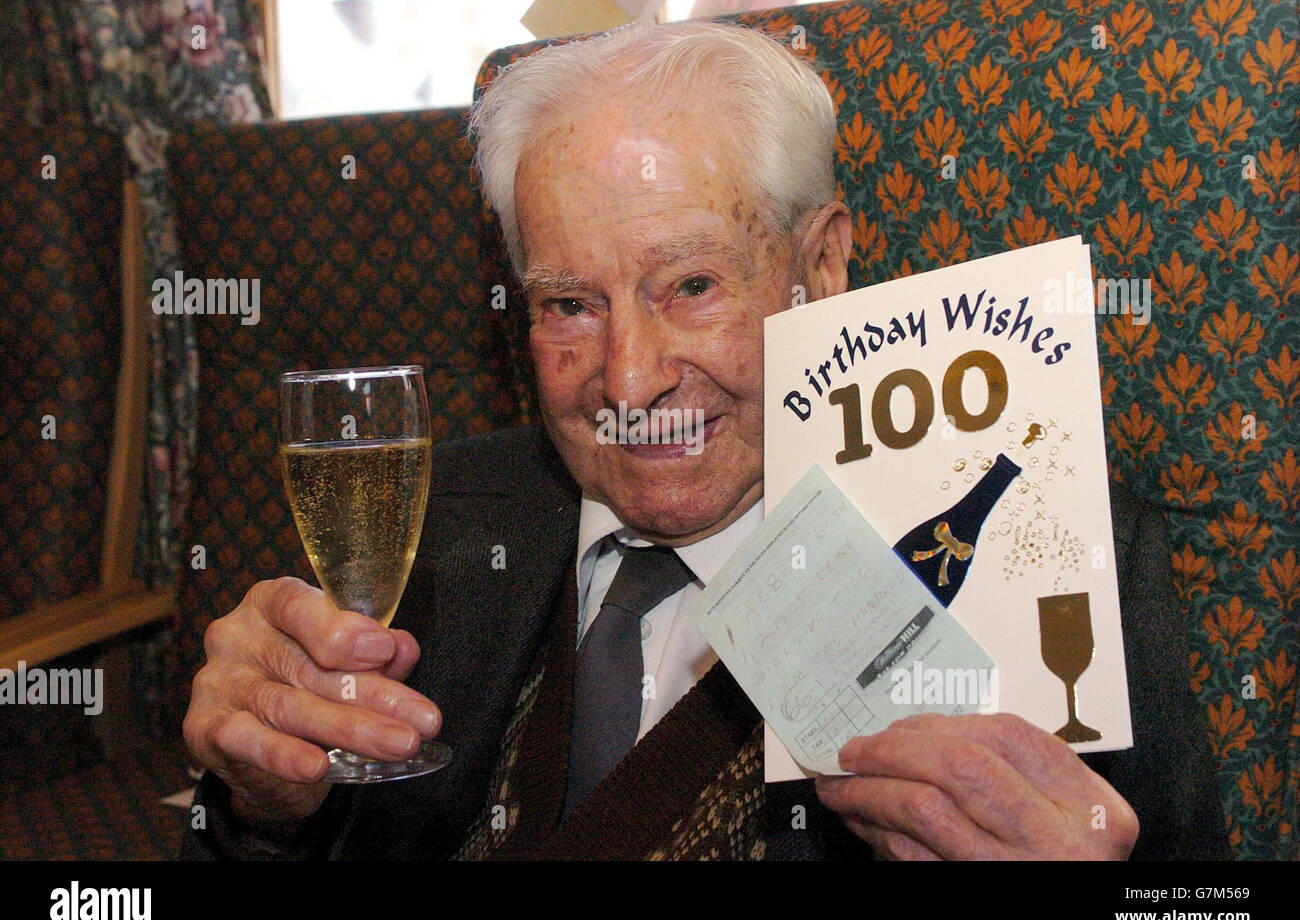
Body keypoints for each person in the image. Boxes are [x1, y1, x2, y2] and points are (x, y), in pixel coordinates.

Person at [182, 20, 1228, 860]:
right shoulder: (423, 528)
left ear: (821, 266)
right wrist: (261, 809)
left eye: (690, 285)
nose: (630, 378)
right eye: (569, 305)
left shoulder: (1060, 558)